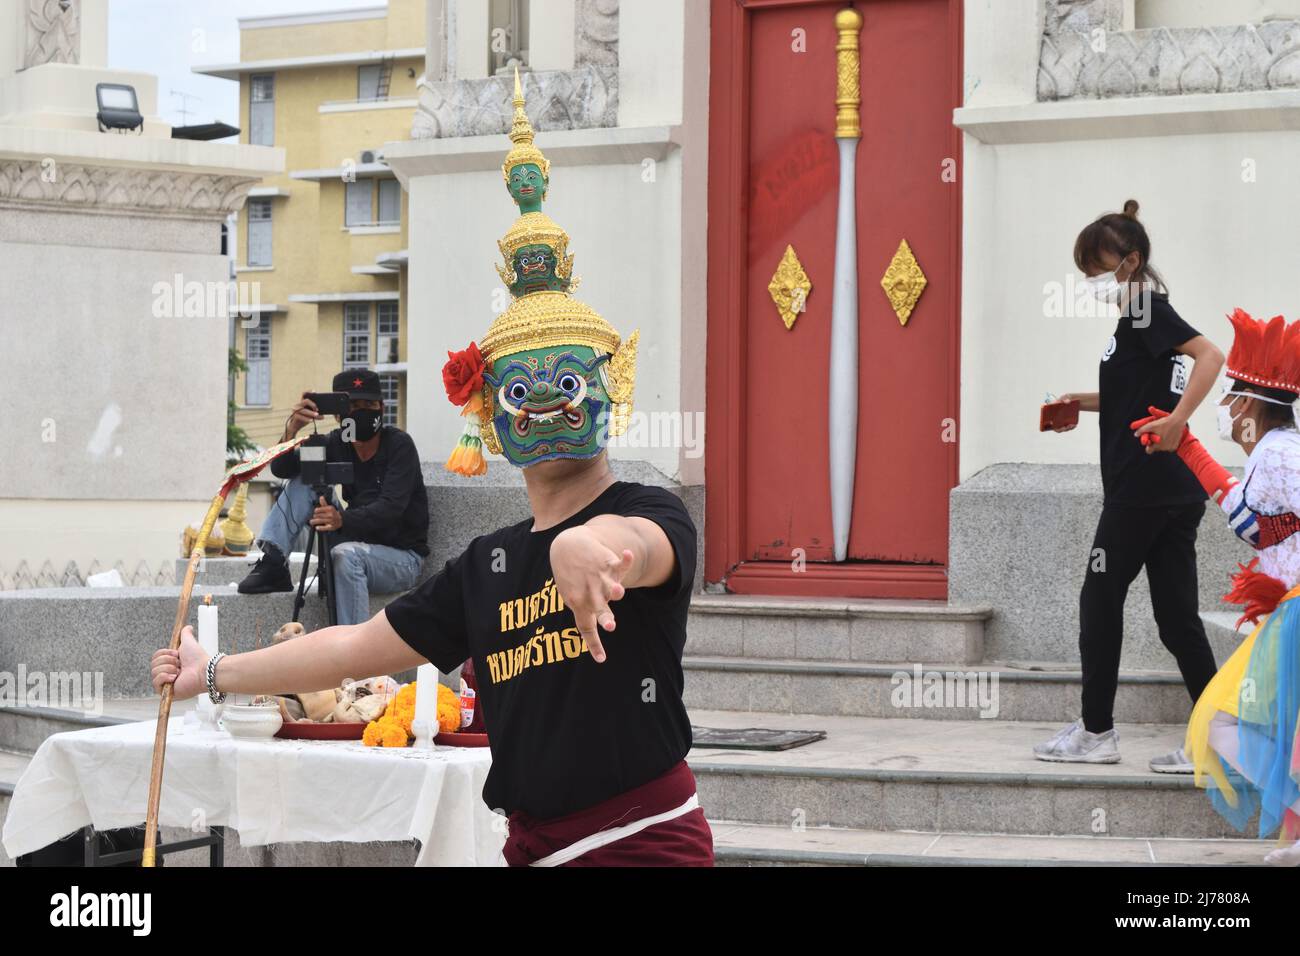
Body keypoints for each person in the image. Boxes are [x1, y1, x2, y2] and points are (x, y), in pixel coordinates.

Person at [152, 74, 713, 867]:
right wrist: (218, 673)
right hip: (531, 845)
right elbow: (351, 649)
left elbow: (639, 549)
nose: (548, 403)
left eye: (568, 380)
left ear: (610, 386)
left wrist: (590, 550)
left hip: (641, 843)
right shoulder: (487, 565)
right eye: (521, 388)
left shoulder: (651, 511)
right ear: (485, 411)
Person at [1036, 199, 1225, 770]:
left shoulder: (1143, 307)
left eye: (1098, 266)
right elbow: (1141, 395)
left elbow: (1210, 355)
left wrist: (1178, 422)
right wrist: (1080, 402)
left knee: (1099, 598)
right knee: (1176, 619)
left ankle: (1096, 733)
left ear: (1131, 261)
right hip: (1175, 491)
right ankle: (1216, 739)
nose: (1090, 279)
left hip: (1140, 488)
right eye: (1085, 269)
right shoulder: (1133, 322)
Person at [1131, 309, 1300, 866]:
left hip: (1296, 615)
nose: (1226, 408)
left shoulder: (1277, 456)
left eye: (1230, 398)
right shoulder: (1275, 456)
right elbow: (1254, 524)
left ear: (1249, 406)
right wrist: (1186, 446)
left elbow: (1251, 523)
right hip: (1288, 612)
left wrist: (1188, 447)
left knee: (1224, 720)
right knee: (1266, 727)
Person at [237, 368, 430, 627]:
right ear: (338, 414)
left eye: (368, 404)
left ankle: (352, 657)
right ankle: (273, 561)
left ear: (382, 408)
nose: (361, 412)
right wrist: (292, 428)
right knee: (304, 481)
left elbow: (391, 508)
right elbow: (282, 470)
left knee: (345, 555)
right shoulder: (336, 443)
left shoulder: (399, 445)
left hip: (402, 558)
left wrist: (342, 520)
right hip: (352, 542)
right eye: (353, 406)